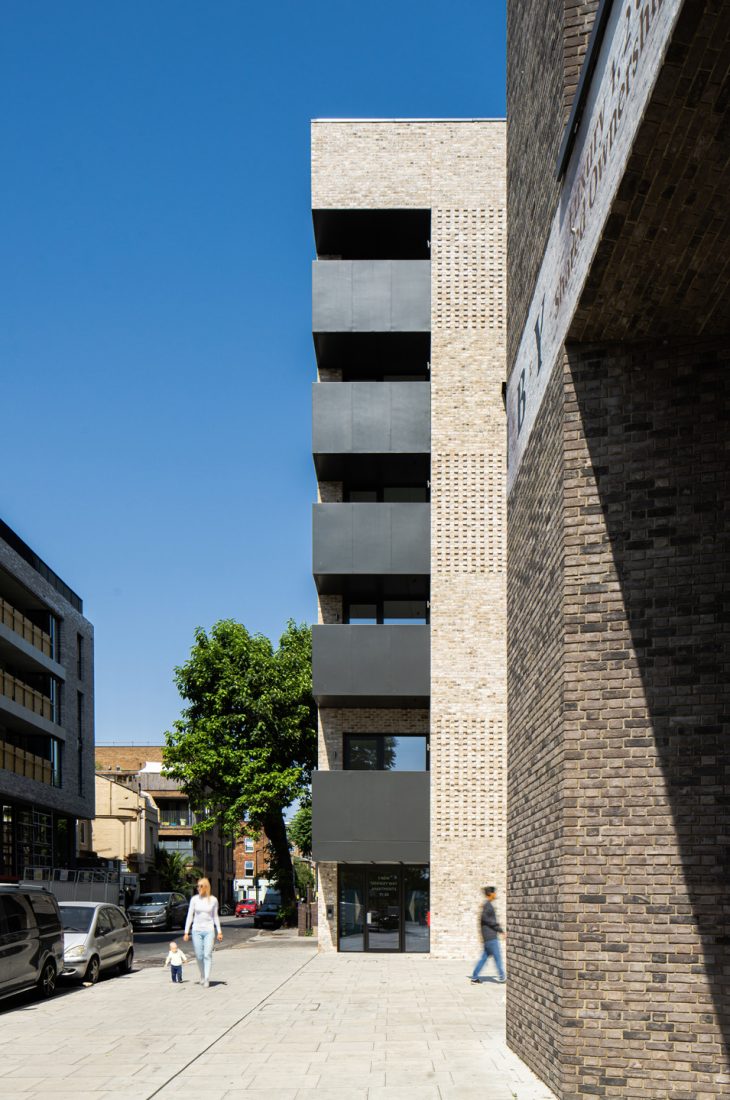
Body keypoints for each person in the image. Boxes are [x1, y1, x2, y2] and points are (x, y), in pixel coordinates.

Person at [183, 876, 223, 988]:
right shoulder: (194, 899)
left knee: (207, 954)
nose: (198, 888)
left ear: (206, 887)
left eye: (200, 886)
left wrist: (219, 932)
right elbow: (190, 915)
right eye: (197, 886)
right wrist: (186, 932)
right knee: (199, 955)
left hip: (209, 930)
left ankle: (206, 978)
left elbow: (215, 916)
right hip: (196, 930)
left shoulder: (213, 900)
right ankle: (202, 974)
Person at [470, 885, 506, 984]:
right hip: (491, 937)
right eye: (494, 893)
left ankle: (474, 977)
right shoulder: (488, 906)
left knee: (484, 958)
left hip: (488, 938)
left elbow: (485, 920)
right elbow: (487, 919)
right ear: (490, 894)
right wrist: (500, 930)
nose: (495, 894)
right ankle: (502, 976)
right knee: (498, 957)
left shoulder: (487, 905)